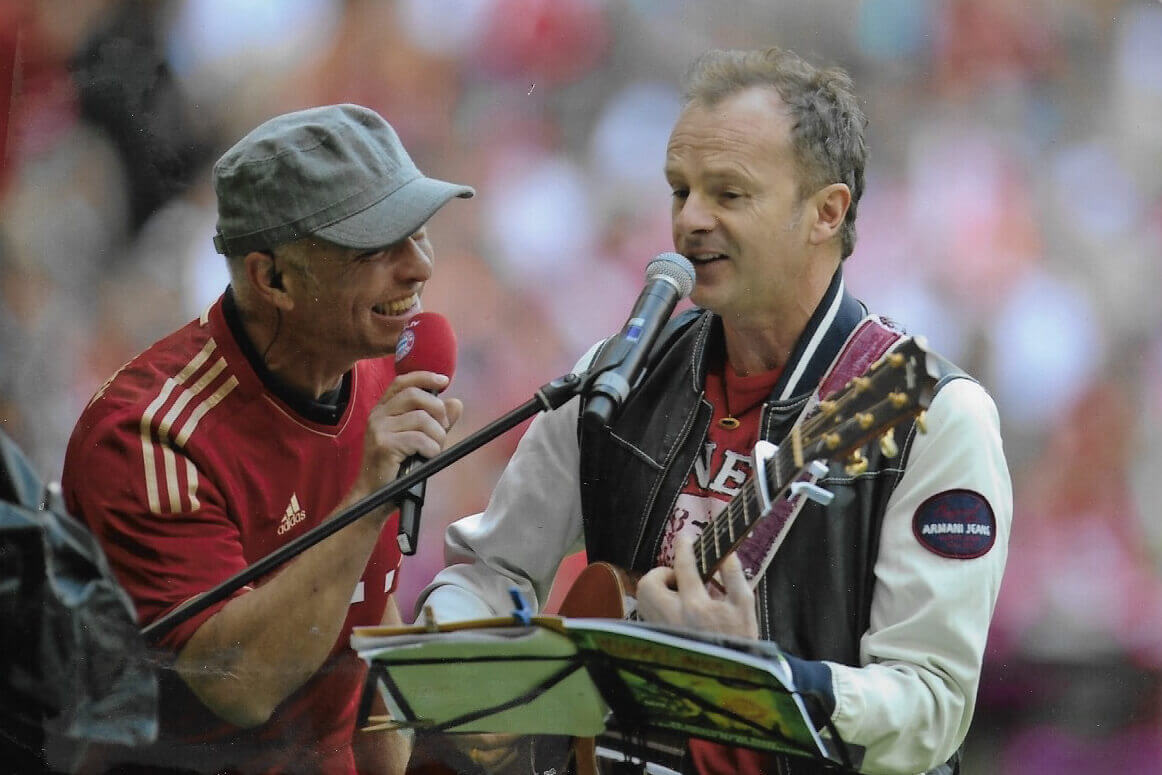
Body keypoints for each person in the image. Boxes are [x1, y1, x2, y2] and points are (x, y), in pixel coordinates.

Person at [417, 48, 1011, 775]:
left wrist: (766, 680)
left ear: (827, 212)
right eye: (679, 190)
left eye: (728, 194)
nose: (689, 220)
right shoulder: (621, 371)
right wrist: (471, 669)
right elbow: (491, 565)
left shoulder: (933, 415)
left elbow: (931, 707)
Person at [62, 103, 472, 774]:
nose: (419, 267)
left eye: (420, 232)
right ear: (272, 277)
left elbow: (369, 623)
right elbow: (240, 683)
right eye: (377, 246)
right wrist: (369, 497)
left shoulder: (374, 377)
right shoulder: (149, 438)